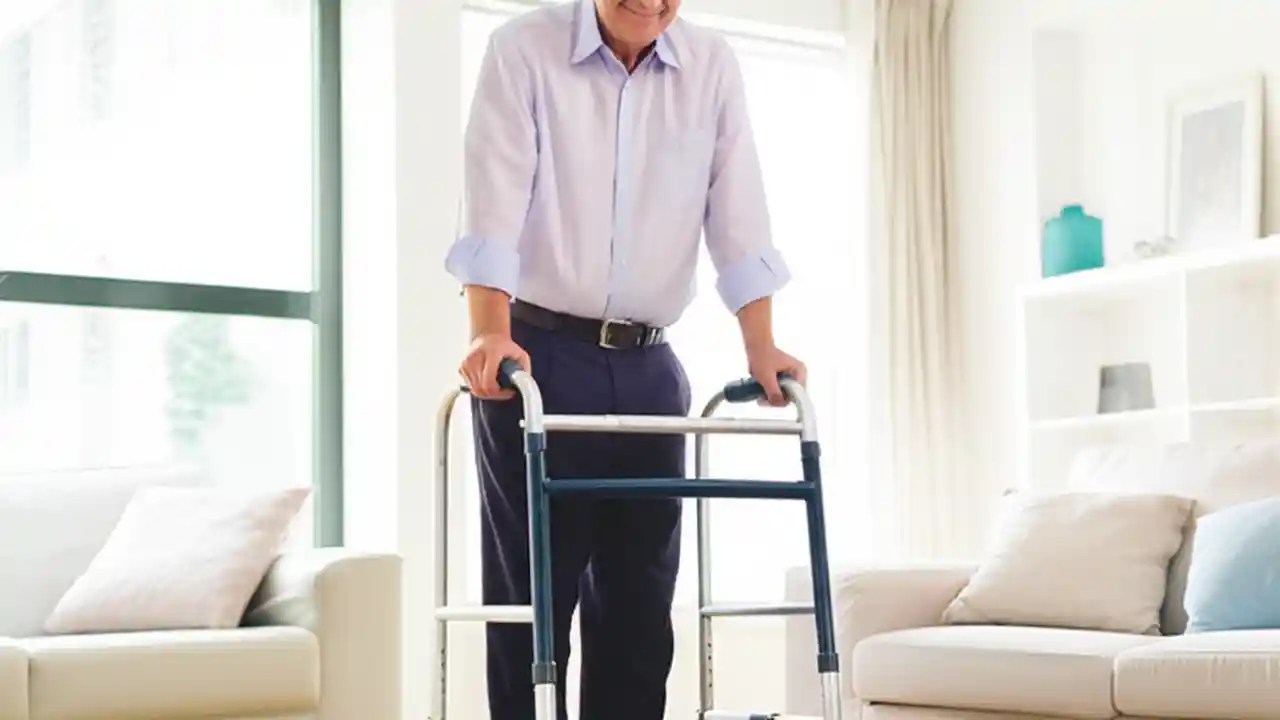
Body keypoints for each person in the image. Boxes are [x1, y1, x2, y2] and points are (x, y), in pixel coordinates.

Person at [446, 1, 806, 718]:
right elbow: (494, 196)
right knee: (532, 598)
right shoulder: (523, 50)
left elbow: (738, 209)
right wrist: (489, 330)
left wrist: (761, 347)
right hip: (538, 359)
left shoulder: (710, 66)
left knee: (640, 605)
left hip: (649, 367)